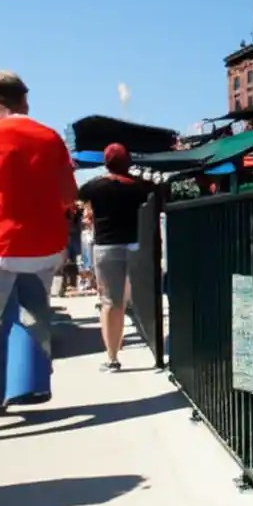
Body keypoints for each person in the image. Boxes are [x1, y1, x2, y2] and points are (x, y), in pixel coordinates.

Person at [0, 71, 77, 408]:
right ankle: (28, 384)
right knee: (34, 311)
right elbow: (68, 195)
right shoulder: (50, 137)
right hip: (44, 244)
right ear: (25, 100)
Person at [78, 143, 154, 372]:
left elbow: (79, 197)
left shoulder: (94, 186)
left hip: (106, 247)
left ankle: (112, 357)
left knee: (111, 302)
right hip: (136, 245)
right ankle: (153, 342)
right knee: (142, 297)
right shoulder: (140, 188)